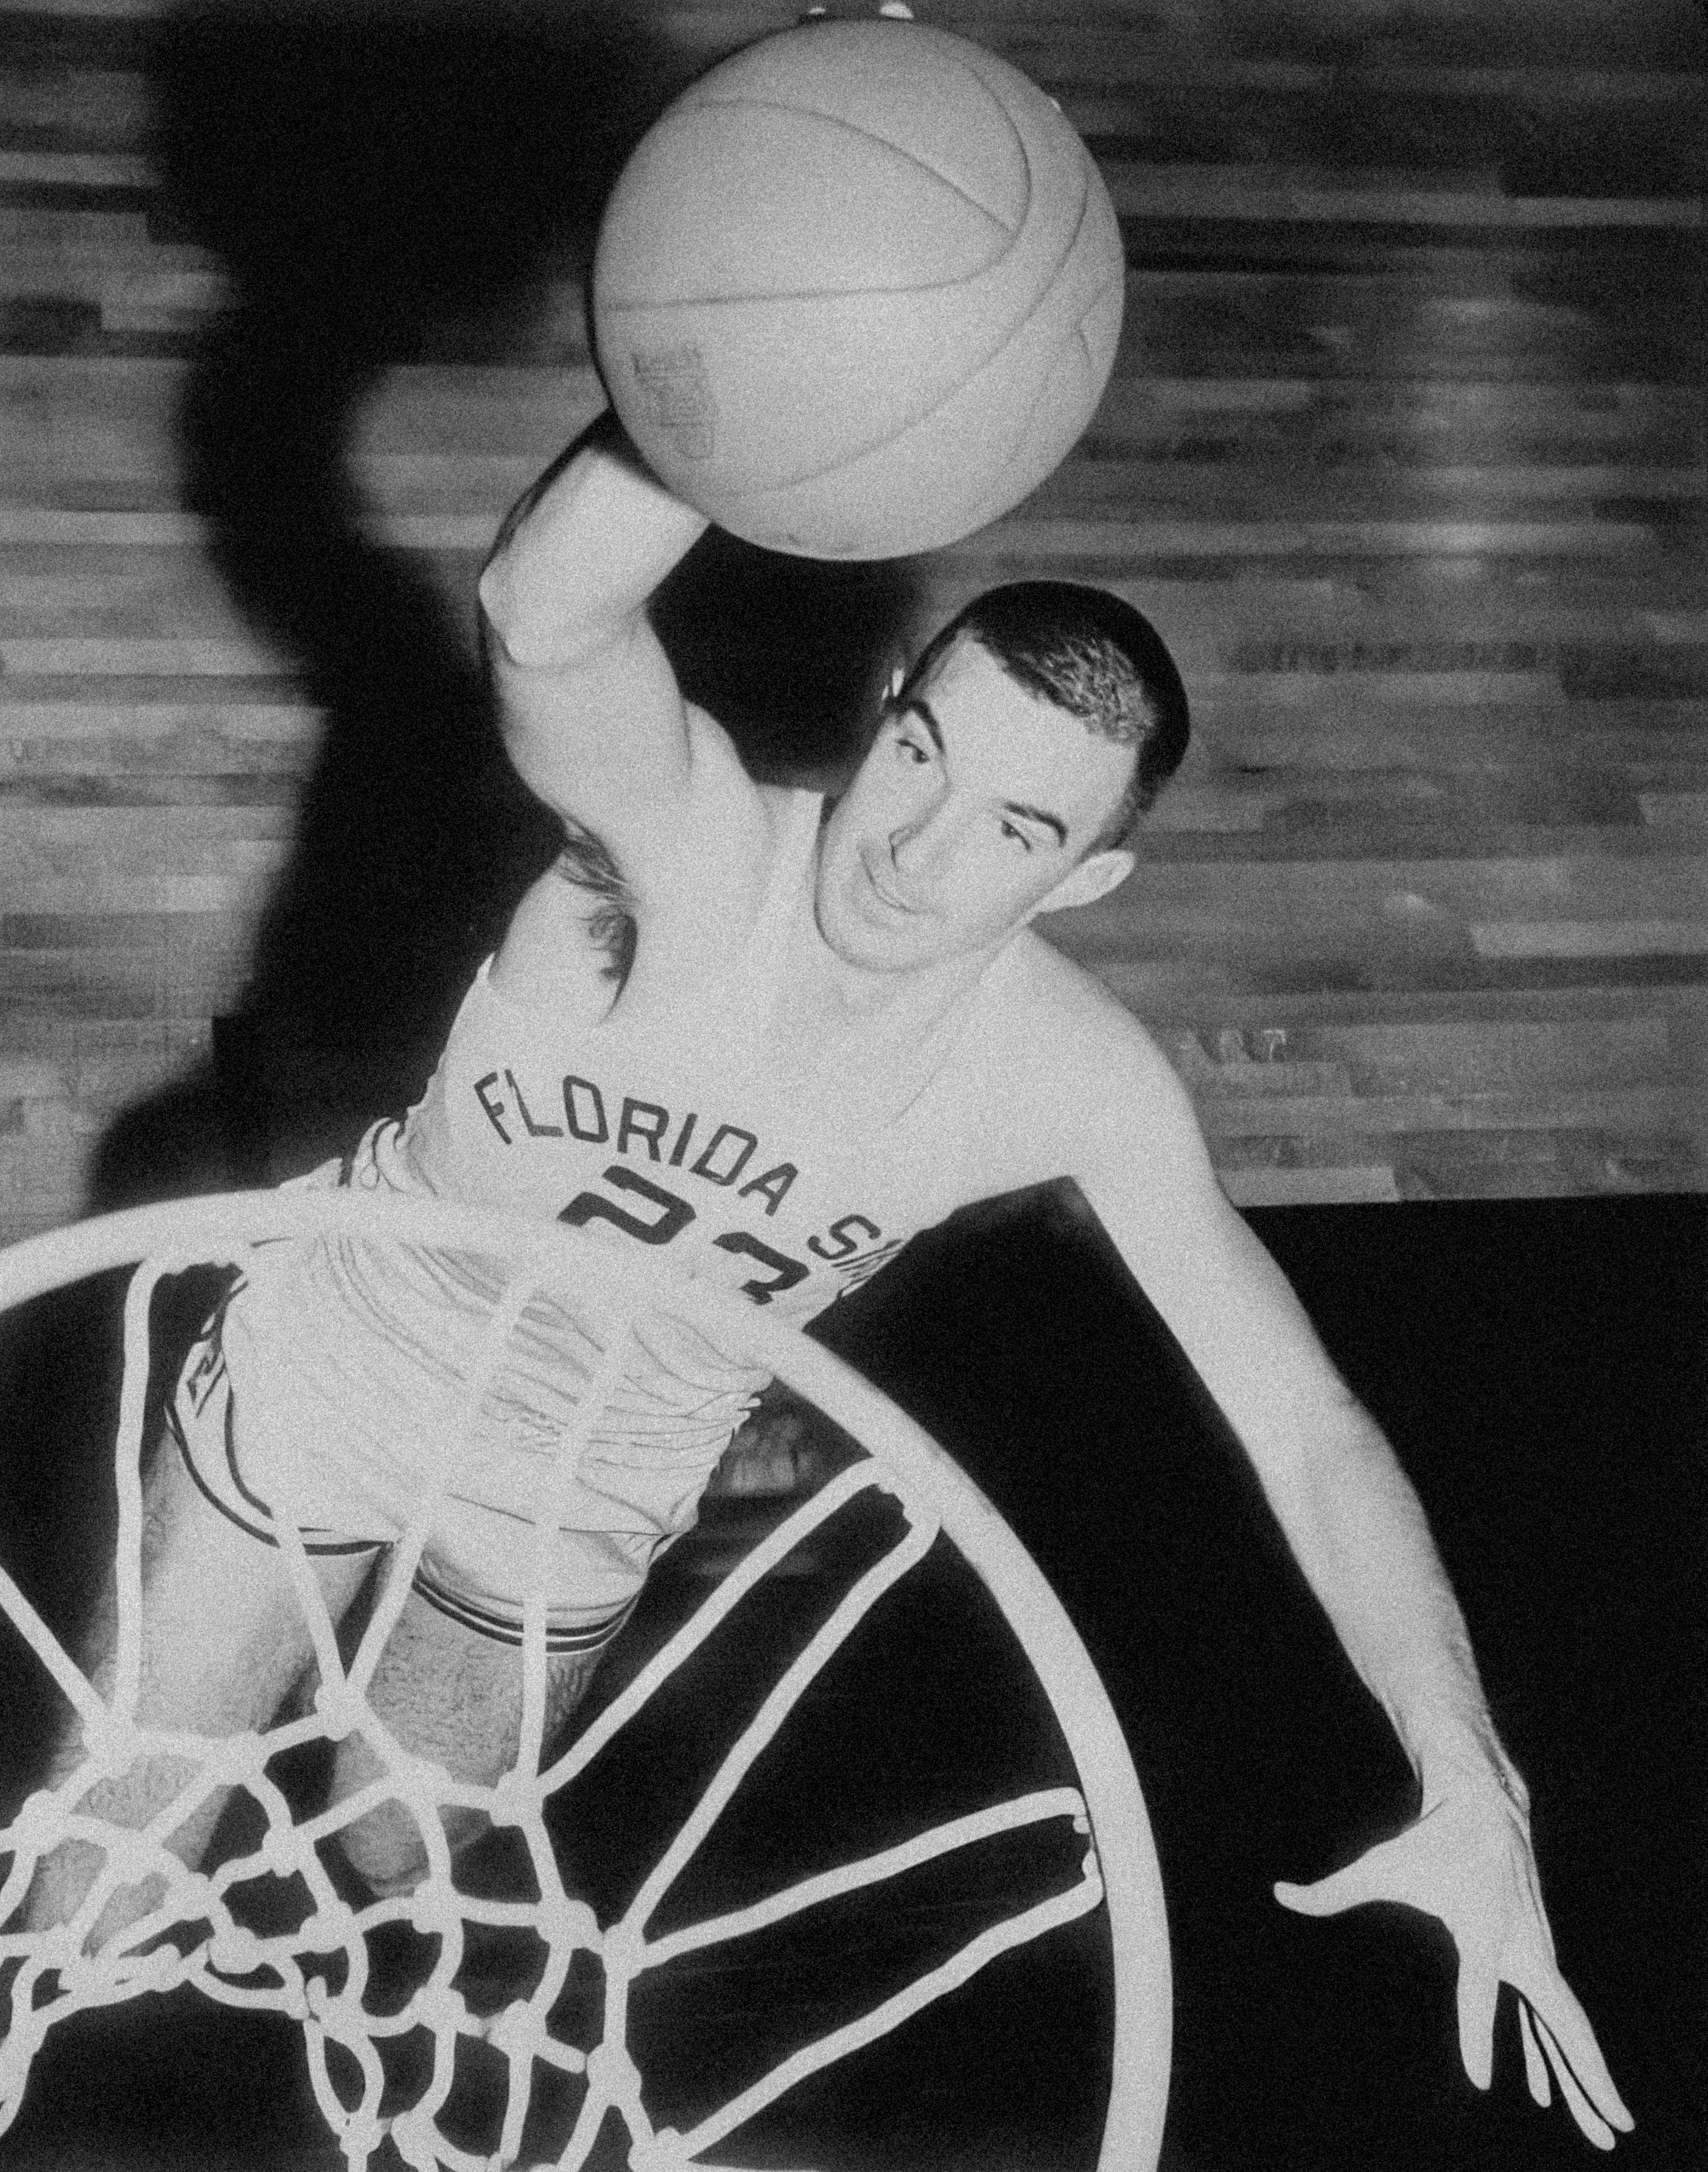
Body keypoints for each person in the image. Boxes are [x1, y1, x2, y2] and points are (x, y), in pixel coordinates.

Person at [27, 416, 1628, 2152]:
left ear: (1081, 879)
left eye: (1012, 828)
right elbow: (544, 611)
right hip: (350, 1353)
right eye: (924, 754)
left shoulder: (1068, 1079)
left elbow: (1308, 1428)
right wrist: (725, 383)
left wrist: (1471, 1774)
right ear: (882, 718)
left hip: (572, 1497)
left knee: (384, 1874)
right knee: (107, 1854)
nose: (918, 848)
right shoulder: (687, 848)